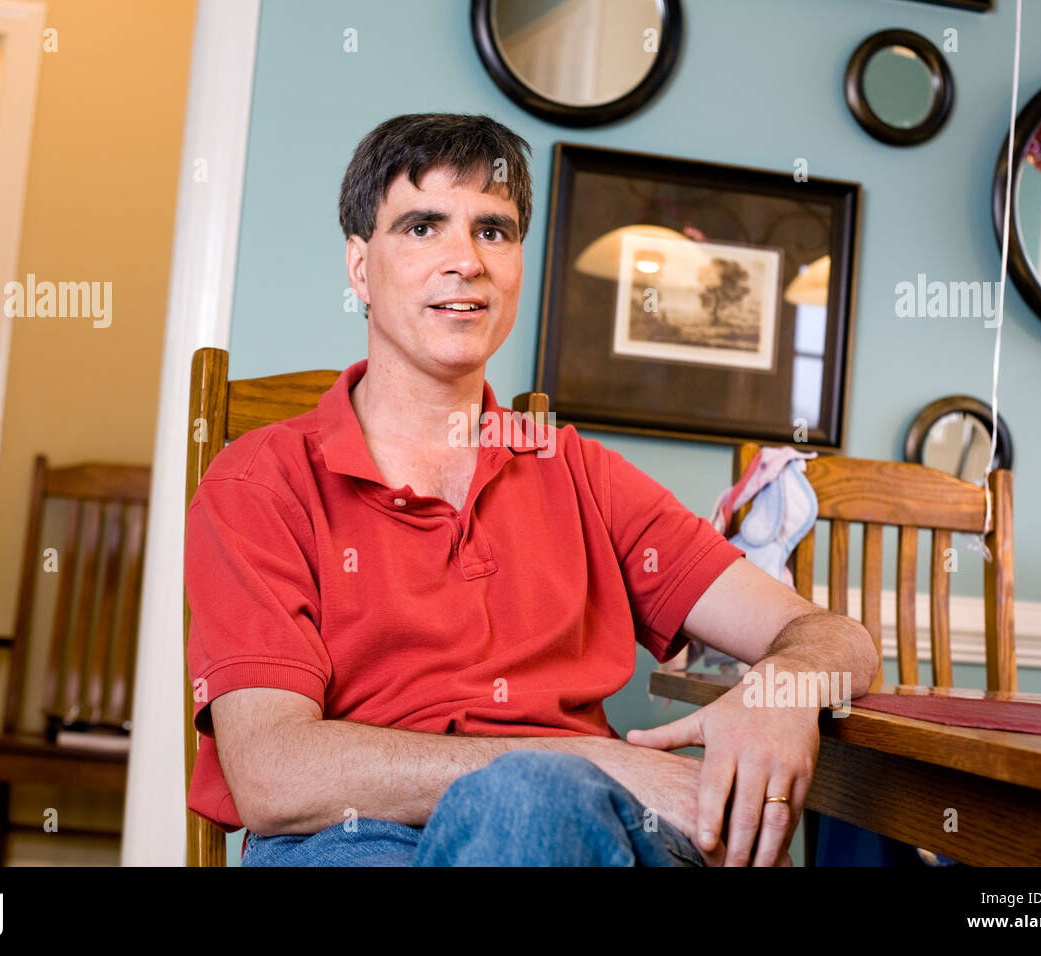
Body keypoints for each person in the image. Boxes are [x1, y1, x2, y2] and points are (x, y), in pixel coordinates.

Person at [184, 113, 878, 867]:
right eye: (422, 227)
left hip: (591, 833)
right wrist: (597, 765)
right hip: (359, 841)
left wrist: (782, 688)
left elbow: (837, 637)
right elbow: (271, 773)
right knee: (528, 796)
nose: (466, 261)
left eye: (494, 230)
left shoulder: (580, 473)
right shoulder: (262, 482)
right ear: (359, 266)